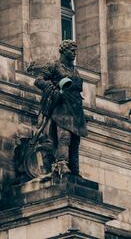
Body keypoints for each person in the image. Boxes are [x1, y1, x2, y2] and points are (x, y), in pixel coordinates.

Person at [31, 40, 87, 177]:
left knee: (75, 140)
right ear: (64, 51)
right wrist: (52, 88)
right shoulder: (54, 66)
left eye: (75, 51)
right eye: (72, 51)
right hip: (61, 106)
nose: (74, 53)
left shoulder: (75, 70)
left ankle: (74, 169)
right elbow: (38, 80)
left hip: (75, 108)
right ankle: (62, 163)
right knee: (65, 136)